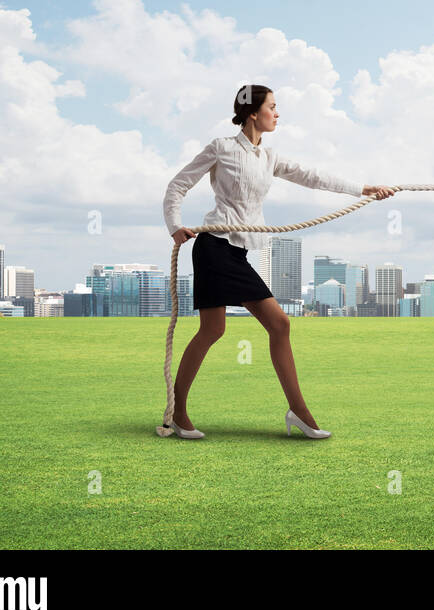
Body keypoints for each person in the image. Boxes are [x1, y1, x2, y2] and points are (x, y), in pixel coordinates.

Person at [162, 84, 396, 439]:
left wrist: (362, 189)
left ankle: (297, 413)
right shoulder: (221, 148)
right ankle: (178, 413)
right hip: (212, 247)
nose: (277, 112)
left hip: (236, 252)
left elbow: (312, 176)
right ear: (253, 112)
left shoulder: (268, 157)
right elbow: (177, 185)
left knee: (278, 325)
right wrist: (175, 226)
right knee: (215, 330)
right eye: (272, 106)